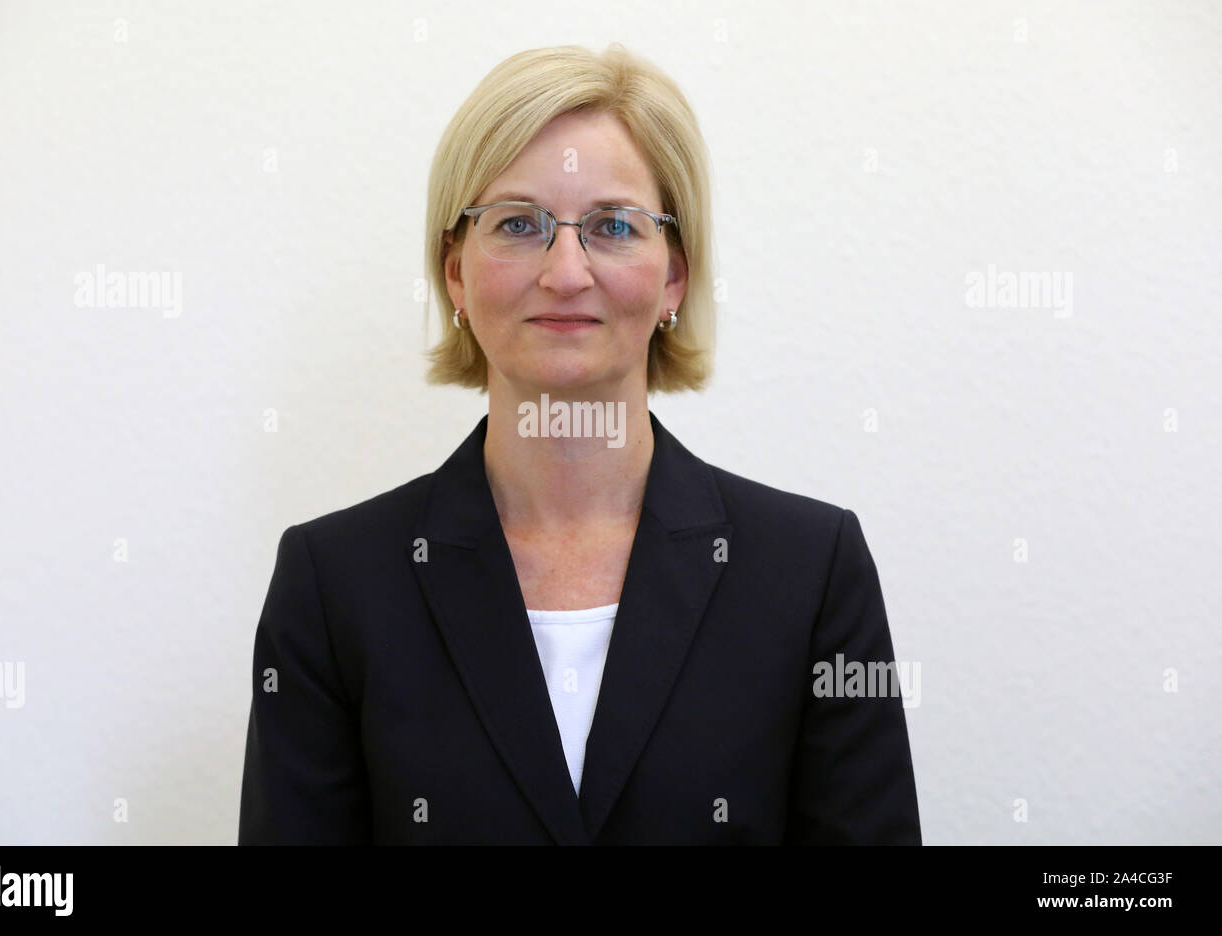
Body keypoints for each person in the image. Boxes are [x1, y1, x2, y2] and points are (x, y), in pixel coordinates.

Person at [238, 42, 920, 845]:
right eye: (519, 224)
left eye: (613, 226)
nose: (566, 272)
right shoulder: (334, 584)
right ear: (455, 272)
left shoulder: (811, 572)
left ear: (674, 276)